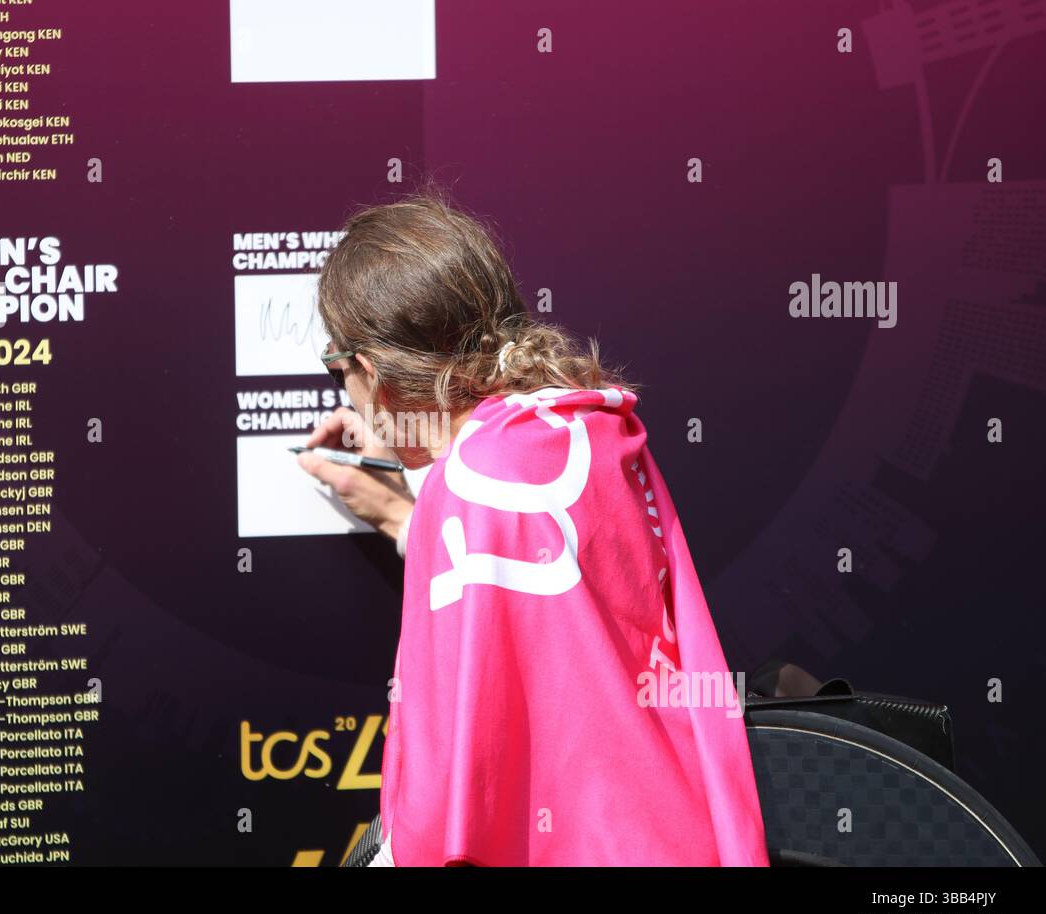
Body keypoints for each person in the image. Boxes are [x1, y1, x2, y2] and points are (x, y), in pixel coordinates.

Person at [296, 187, 769, 867]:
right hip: (674, 834)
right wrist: (408, 489)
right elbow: (552, 607)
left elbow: (450, 800)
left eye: (340, 366)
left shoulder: (468, 488)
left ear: (371, 372)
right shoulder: (591, 428)